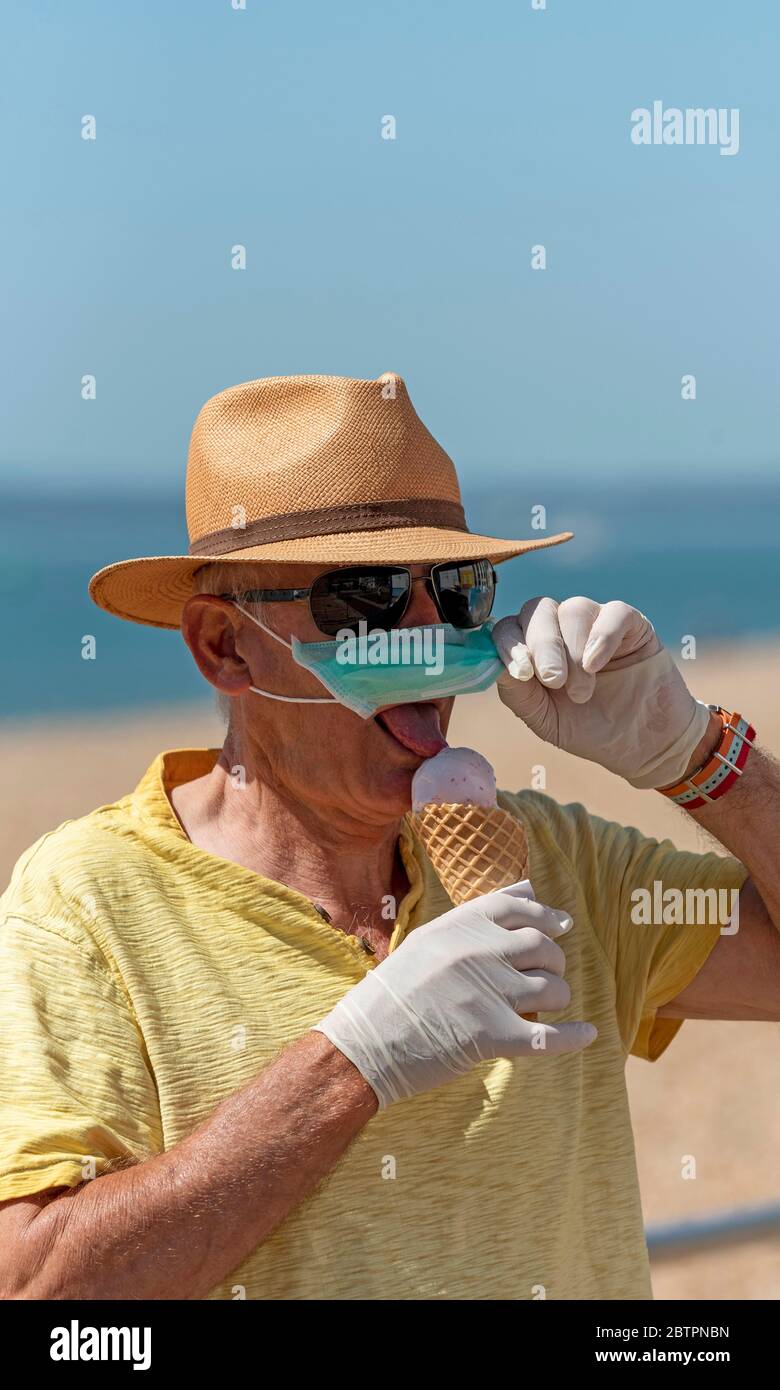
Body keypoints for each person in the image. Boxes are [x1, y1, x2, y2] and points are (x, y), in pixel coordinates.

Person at [0, 372, 777, 1301]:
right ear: (223, 646)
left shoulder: (565, 862)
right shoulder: (85, 903)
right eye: (361, 596)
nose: (423, 637)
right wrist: (354, 1062)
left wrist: (696, 754)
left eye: (456, 591)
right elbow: (40, 1293)